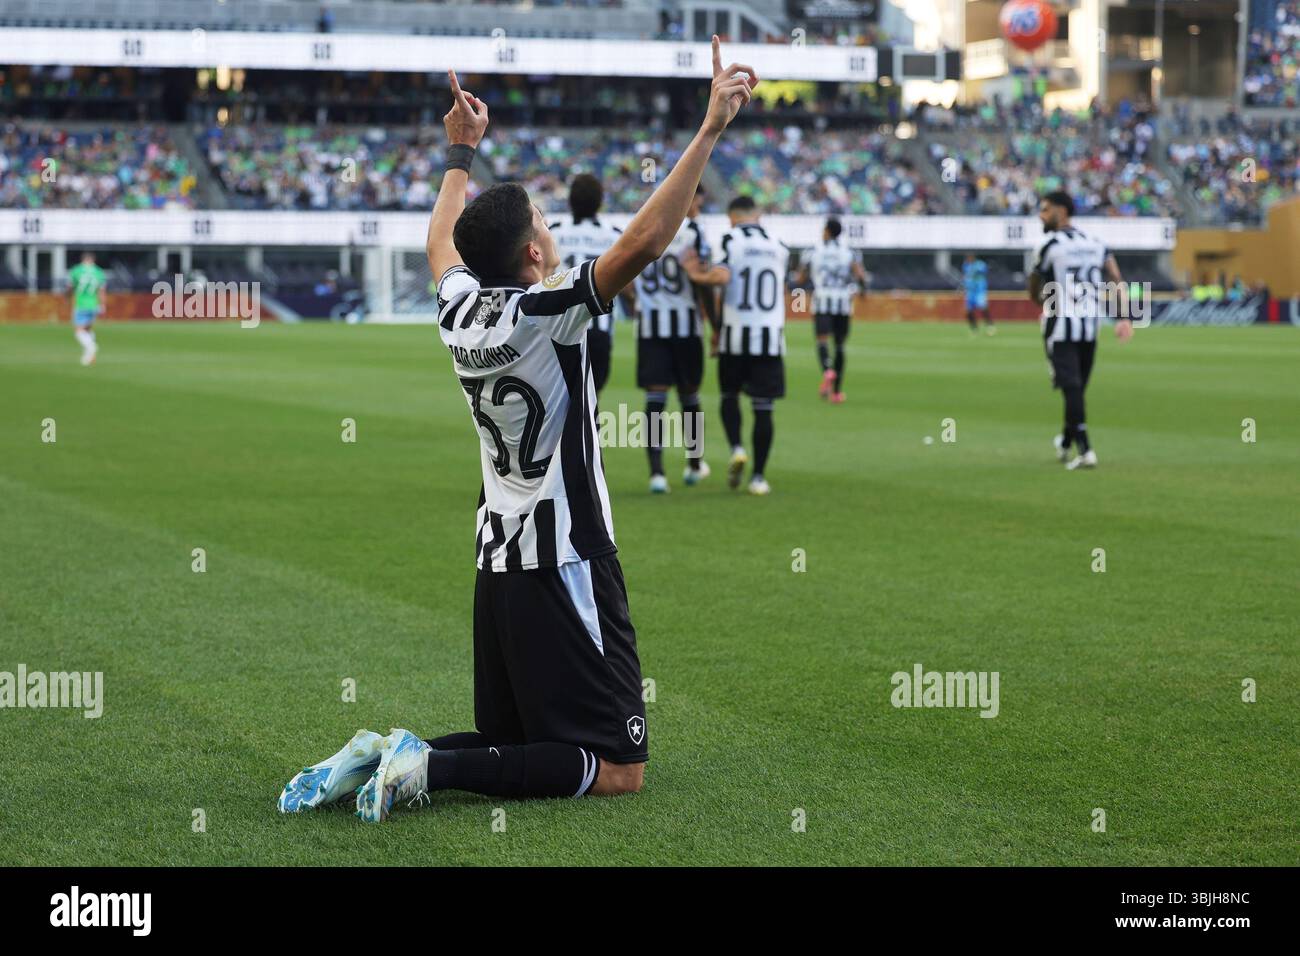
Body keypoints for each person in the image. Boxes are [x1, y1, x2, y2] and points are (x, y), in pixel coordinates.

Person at [279, 39, 757, 820]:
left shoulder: (460, 310)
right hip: (567, 556)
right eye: (544, 222)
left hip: (496, 561)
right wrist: (708, 130)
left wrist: (458, 154)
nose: (553, 229)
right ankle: (426, 769)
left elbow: (441, 243)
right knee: (615, 768)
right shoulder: (548, 312)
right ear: (535, 253)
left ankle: (386, 754)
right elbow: (642, 244)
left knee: (524, 740)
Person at [682, 194, 789, 495]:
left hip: (735, 335)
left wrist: (696, 273)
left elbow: (720, 276)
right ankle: (758, 477)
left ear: (732, 217)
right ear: (757, 215)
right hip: (770, 338)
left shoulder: (730, 239)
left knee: (730, 396)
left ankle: (737, 447)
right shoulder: (778, 245)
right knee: (764, 409)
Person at [1028, 191, 1132, 471]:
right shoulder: (1096, 243)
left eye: (1045, 209)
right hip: (1089, 326)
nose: (1041, 215)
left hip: (1060, 325)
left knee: (1073, 388)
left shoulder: (1048, 245)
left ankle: (1075, 445)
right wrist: (1124, 317)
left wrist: (1043, 302)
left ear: (1061, 211)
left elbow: (1034, 286)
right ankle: (1075, 445)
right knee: (1076, 388)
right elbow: (1116, 278)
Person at [634, 185, 713, 493]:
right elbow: (702, 280)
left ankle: (657, 474)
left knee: (655, 399)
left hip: (651, 327)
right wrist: (716, 325)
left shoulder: (645, 227)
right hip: (686, 328)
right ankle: (694, 464)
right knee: (689, 397)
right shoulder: (694, 231)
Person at [548, 174, 627, 395]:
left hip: (560, 329)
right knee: (590, 402)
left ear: (570, 200)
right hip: (599, 328)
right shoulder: (613, 235)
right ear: (600, 201)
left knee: (560, 401)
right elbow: (627, 283)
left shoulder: (553, 232)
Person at [799, 217, 865, 402]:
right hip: (843, 303)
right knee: (840, 345)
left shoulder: (812, 251)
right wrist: (862, 290)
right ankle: (836, 392)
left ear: (827, 231)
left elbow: (800, 278)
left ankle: (827, 370)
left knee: (822, 341)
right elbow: (860, 275)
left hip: (822, 301)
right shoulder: (850, 252)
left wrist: (796, 285)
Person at [66, 251, 106, 366]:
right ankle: (88, 355)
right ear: (93, 260)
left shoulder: (76, 270)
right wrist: (103, 305)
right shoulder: (99, 272)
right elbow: (102, 291)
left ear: (83, 260)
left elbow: (70, 287)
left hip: (81, 304)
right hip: (94, 304)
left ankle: (91, 347)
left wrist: (67, 298)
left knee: (79, 331)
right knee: (87, 329)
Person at [962, 253, 994, 336]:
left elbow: (984, 272)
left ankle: (990, 326)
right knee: (968, 311)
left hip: (979, 291)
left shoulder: (980, 264)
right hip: (970, 291)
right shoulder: (965, 266)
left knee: (983, 308)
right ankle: (974, 328)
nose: (968, 260)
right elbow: (966, 277)